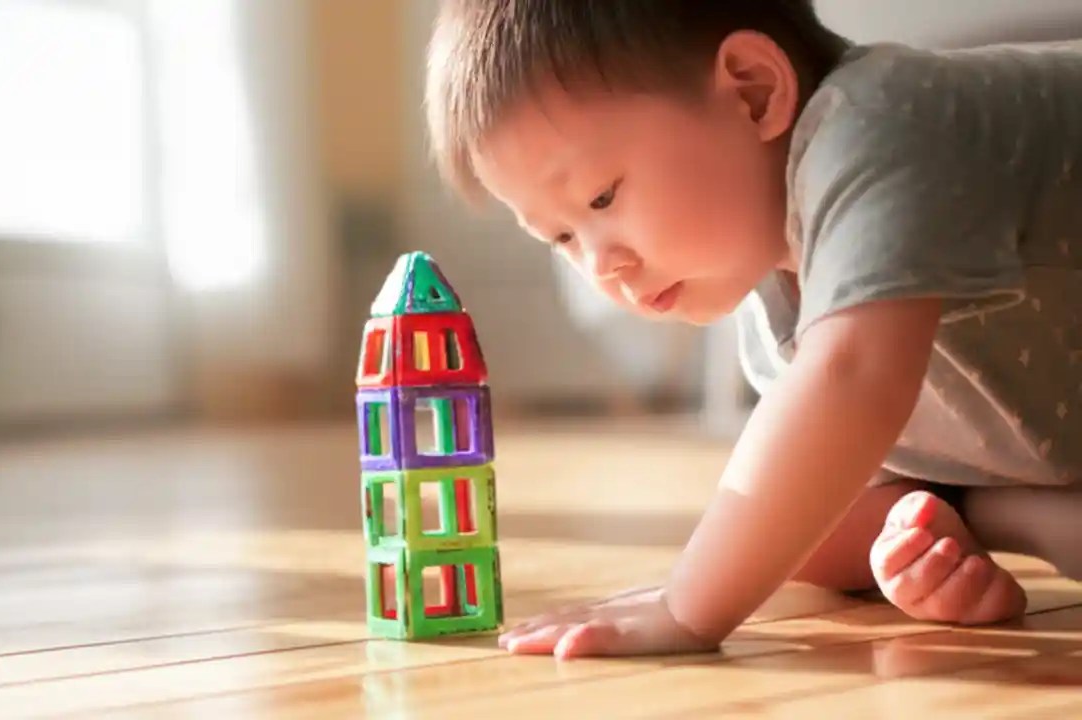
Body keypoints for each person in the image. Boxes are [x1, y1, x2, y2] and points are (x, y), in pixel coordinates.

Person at [423, 0, 1082, 659]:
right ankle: (1013, 515)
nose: (601, 264)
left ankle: (1017, 515)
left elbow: (853, 381)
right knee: (791, 523)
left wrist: (686, 606)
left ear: (753, 91)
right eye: (562, 236)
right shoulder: (772, 283)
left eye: (602, 198)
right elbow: (809, 471)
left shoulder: (881, 122)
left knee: (781, 500)